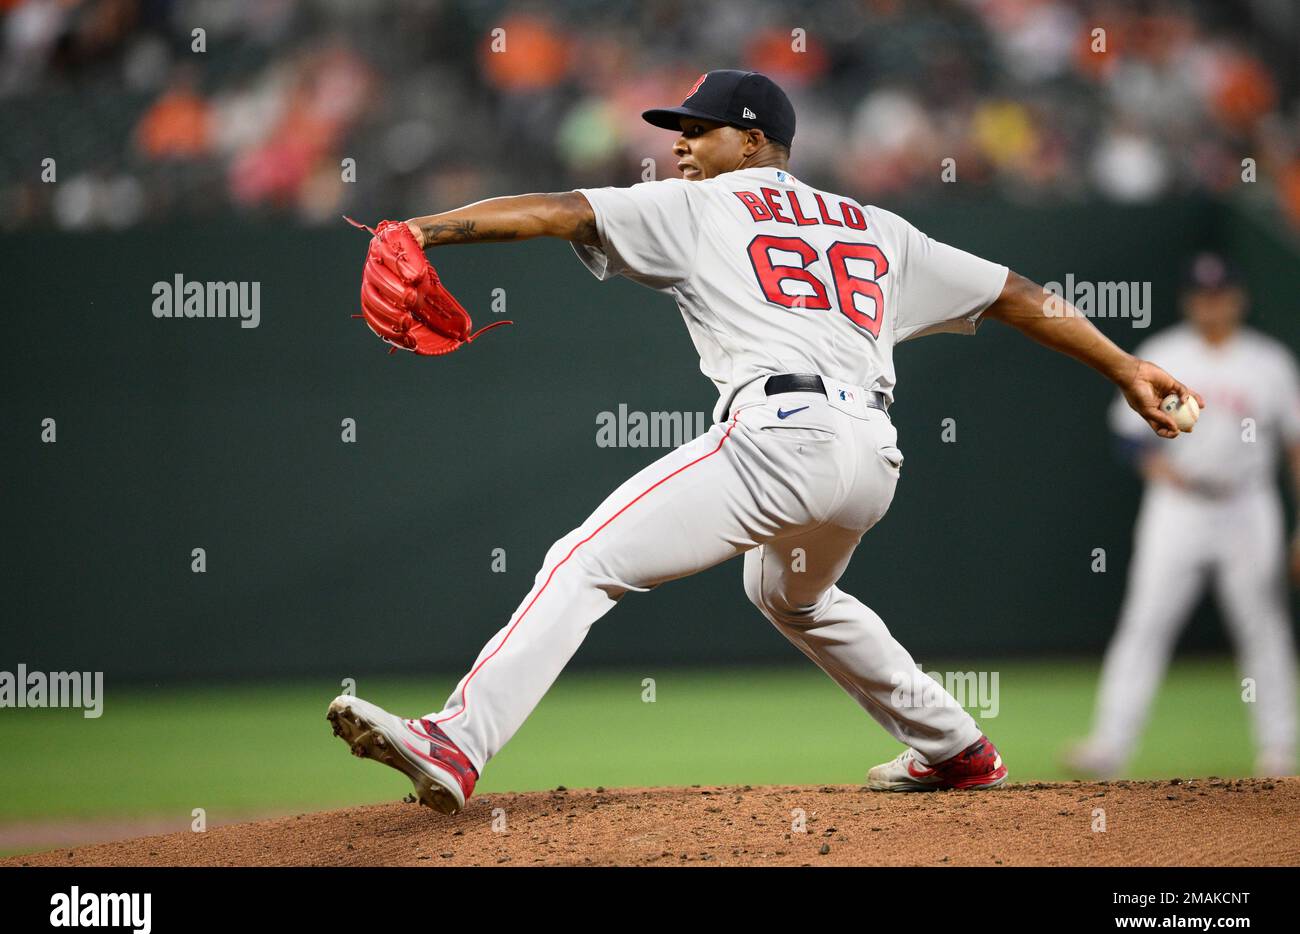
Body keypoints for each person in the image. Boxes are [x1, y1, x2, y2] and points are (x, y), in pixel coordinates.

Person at [327, 70, 1202, 812]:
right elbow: (1015, 292)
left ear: (752, 144)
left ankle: (456, 742)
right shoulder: (876, 227)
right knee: (792, 595)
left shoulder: (698, 207)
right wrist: (1124, 366)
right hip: (872, 457)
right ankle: (956, 746)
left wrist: (422, 231)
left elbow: (558, 212)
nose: (679, 146)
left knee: (583, 561)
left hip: (784, 437)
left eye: (696, 131)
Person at [1065, 252, 1300, 779]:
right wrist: (1156, 469)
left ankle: (1278, 752)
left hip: (1248, 503)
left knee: (1263, 627)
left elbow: (1294, 448)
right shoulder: (1164, 353)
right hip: (1178, 506)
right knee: (1145, 622)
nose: (1211, 304)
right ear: (1189, 300)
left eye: (1220, 294)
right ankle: (1110, 744)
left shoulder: (1269, 362)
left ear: (1238, 298)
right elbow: (1127, 437)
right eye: (1202, 295)